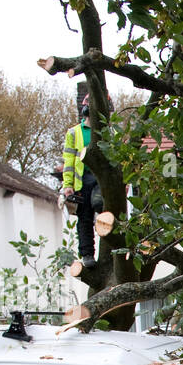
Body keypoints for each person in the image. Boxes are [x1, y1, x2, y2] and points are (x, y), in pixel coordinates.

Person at [62, 96, 101, 267]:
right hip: (82, 181)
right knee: (84, 218)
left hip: (101, 179)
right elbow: (69, 162)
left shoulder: (109, 132)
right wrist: (68, 185)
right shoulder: (74, 133)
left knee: (99, 204)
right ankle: (87, 254)